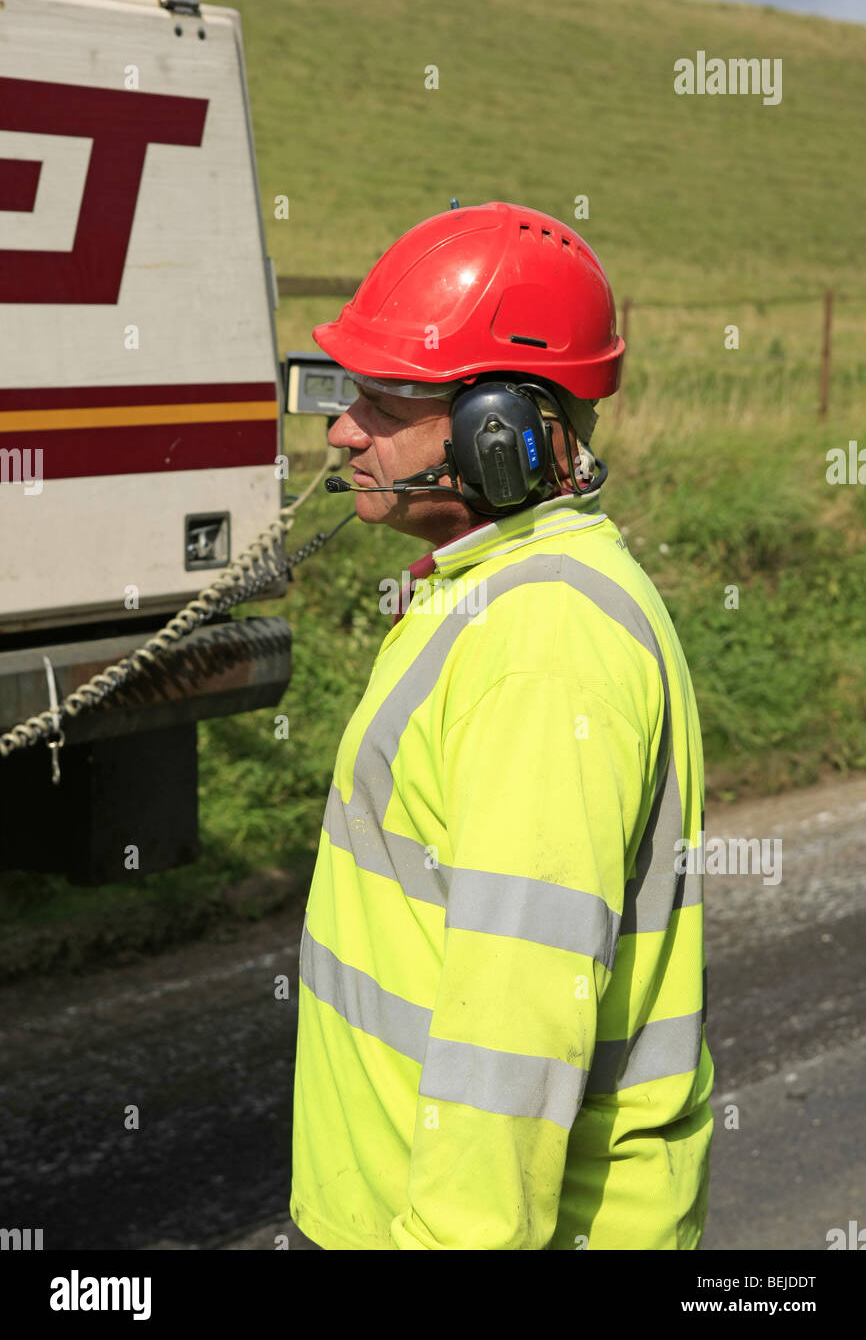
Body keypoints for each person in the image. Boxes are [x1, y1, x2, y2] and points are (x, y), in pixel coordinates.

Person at [288, 200, 714, 1250]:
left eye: (383, 400)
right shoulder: (492, 591)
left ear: (499, 433)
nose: (342, 425)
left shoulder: (541, 646)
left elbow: (513, 1028)